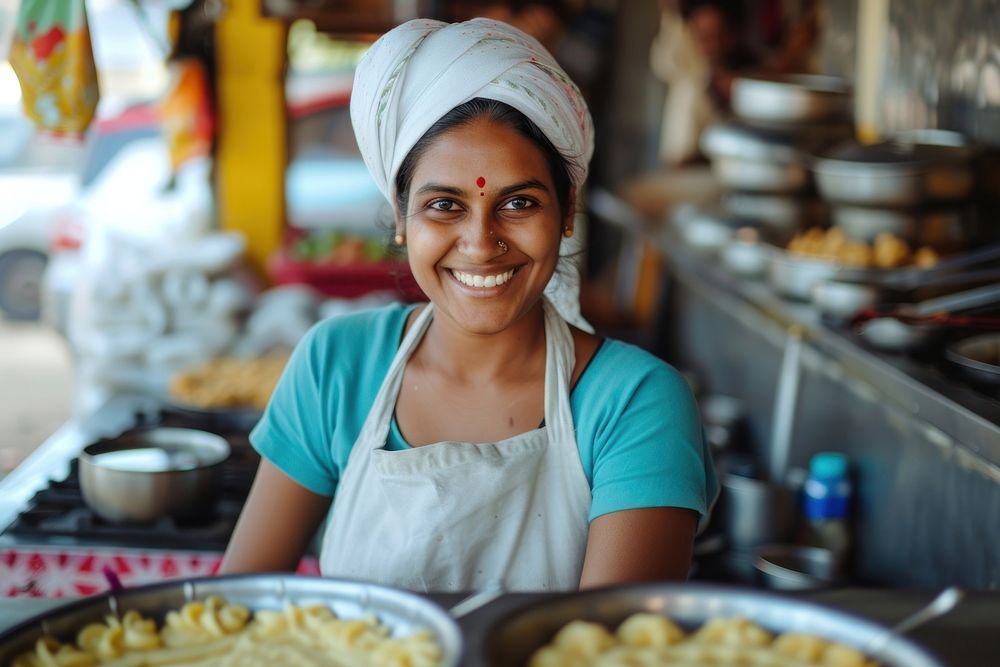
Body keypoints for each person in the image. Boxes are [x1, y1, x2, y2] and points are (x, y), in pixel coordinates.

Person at [221, 17, 718, 592]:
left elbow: (613, 646)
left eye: (519, 203)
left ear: (567, 212)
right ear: (401, 218)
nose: (481, 245)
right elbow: (239, 609)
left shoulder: (635, 404)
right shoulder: (336, 366)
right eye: (443, 206)